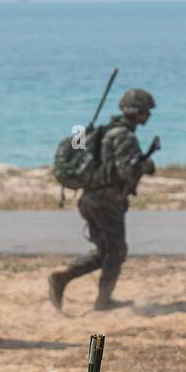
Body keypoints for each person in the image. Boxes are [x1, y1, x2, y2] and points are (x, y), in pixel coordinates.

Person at [48, 88, 157, 312]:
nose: (149, 115)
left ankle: (65, 278)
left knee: (104, 250)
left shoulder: (105, 131)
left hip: (89, 198)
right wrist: (145, 165)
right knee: (116, 251)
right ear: (139, 113)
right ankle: (102, 300)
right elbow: (126, 171)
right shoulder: (124, 136)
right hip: (106, 201)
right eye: (147, 111)